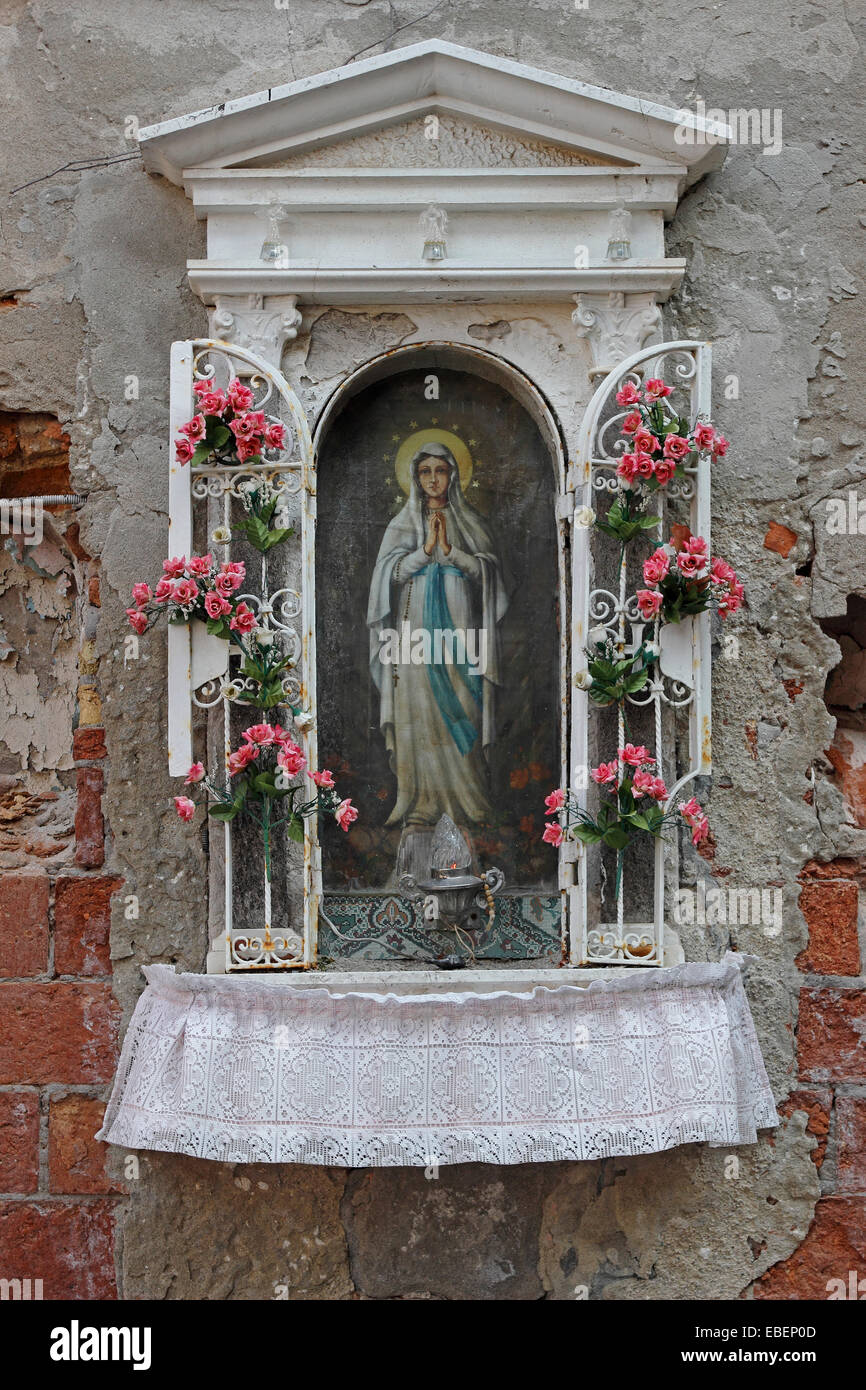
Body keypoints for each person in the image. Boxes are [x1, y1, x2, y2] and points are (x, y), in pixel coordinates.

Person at [367, 442, 509, 829]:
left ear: (453, 475)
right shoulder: (403, 522)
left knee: (464, 701)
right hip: (413, 631)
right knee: (417, 706)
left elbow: (488, 575)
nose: (433, 479)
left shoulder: (468, 520)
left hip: (462, 629)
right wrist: (424, 551)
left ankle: (469, 799)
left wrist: (449, 551)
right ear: (415, 477)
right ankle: (422, 801)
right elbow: (388, 577)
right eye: (425, 471)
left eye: (440, 471)